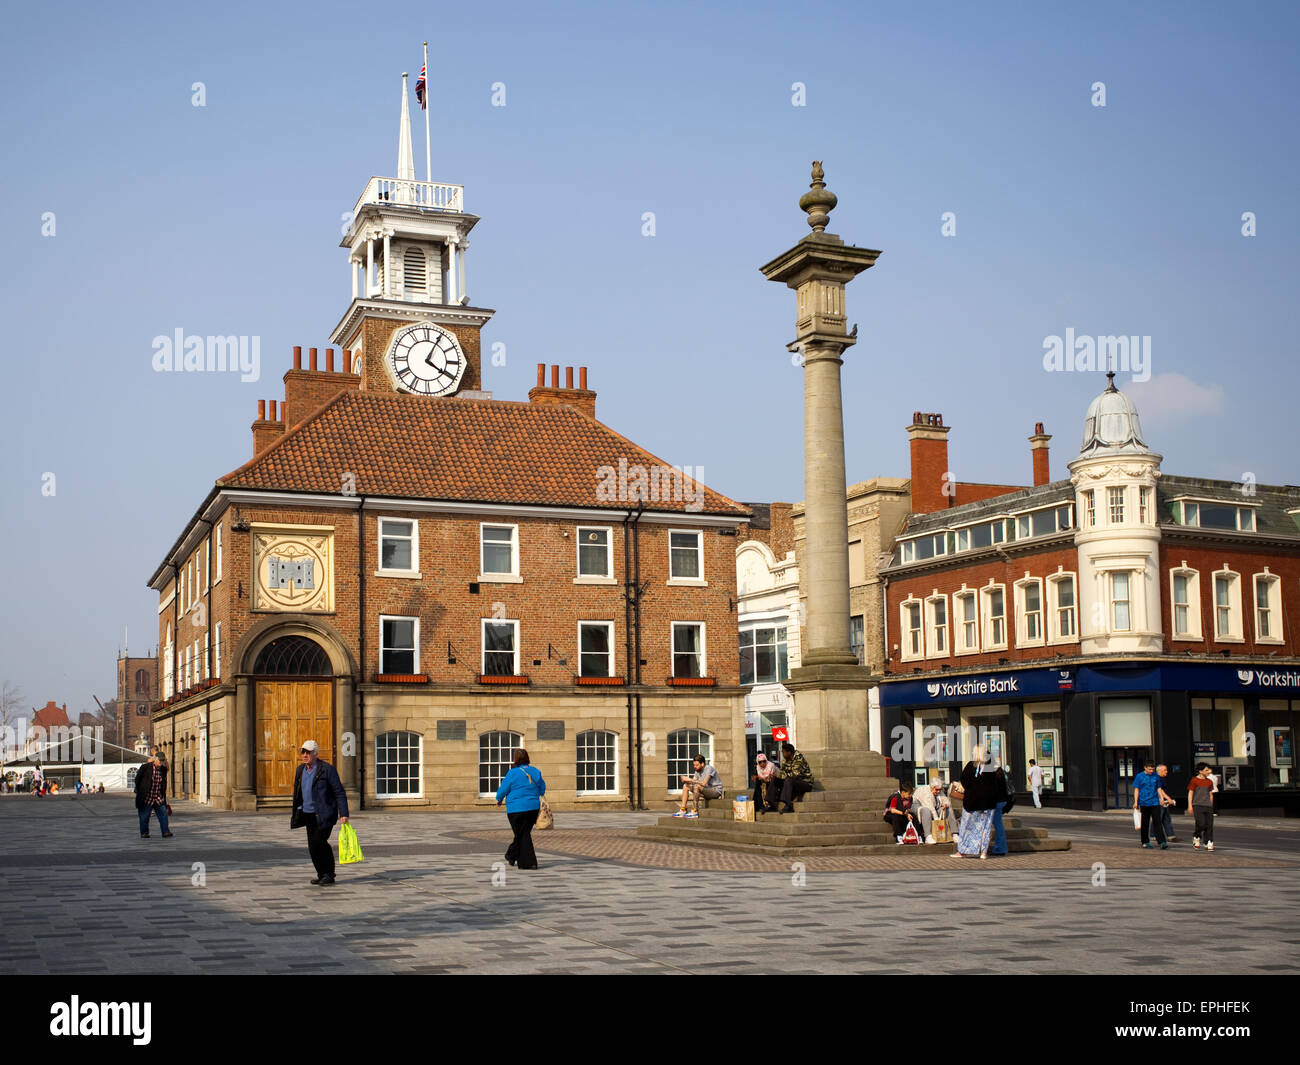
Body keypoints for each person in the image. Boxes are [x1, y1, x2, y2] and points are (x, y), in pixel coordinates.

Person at [289, 739, 349, 885]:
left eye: (308, 752)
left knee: (320, 842)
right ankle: (321, 874)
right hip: (307, 814)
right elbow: (298, 792)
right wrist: (297, 809)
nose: (305, 755)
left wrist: (344, 813)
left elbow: (339, 792)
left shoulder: (327, 769)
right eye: (303, 752)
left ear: (315, 753)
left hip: (324, 814)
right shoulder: (300, 770)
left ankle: (329, 873)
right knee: (312, 846)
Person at [495, 748, 546, 869]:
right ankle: (511, 855)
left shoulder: (512, 773)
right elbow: (542, 789)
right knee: (523, 833)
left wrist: (499, 798)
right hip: (533, 808)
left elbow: (504, 788)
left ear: (516, 759)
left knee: (522, 834)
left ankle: (528, 863)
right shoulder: (536, 771)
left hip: (516, 809)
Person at [951, 746, 1001, 859]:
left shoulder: (971, 765)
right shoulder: (992, 766)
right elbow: (997, 783)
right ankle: (983, 852)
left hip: (972, 801)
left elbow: (964, 780)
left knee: (966, 826)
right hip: (988, 802)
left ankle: (962, 850)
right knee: (985, 827)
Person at [1132, 760, 1170, 849]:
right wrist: (1136, 802)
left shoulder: (1156, 776)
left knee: (1158, 822)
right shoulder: (1139, 776)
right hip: (1144, 802)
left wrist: (1161, 798)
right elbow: (1136, 789)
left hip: (1155, 802)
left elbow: (1159, 788)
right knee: (1145, 823)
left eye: (1152, 769)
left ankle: (1162, 842)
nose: (1151, 771)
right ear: (1145, 767)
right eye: (1149, 769)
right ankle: (1145, 842)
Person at [134, 753, 172, 838]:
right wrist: (141, 790)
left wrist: (163, 795)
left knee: (163, 815)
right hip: (147, 796)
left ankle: (165, 831)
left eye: (163, 761)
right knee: (144, 816)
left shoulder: (163, 769)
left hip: (158, 796)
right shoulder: (145, 767)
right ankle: (144, 833)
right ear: (155, 759)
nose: (161, 763)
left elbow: (163, 783)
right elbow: (137, 779)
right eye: (160, 760)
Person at [677, 753, 723, 818]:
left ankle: (694, 811)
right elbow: (693, 782)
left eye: (697, 765)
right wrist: (685, 780)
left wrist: (690, 779)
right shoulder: (697, 771)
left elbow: (704, 783)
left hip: (715, 791)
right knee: (686, 786)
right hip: (705, 791)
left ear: (702, 764)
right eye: (694, 765)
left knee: (697, 786)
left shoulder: (709, 768)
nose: (694, 767)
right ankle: (683, 809)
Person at [914, 779, 959, 843]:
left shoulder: (939, 791)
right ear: (932, 787)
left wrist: (945, 804)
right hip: (920, 806)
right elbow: (930, 808)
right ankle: (928, 836)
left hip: (935, 806)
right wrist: (937, 821)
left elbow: (946, 800)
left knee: (948, 809)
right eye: (936, 789)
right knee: (926, 811)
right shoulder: (925, 792)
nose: (938, 791)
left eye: (939, 789)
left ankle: (955, 834)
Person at [776, 742, 814, 813]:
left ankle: (788, 805)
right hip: (794, 782)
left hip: (805, 783)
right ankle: (770, 803)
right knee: (775, 780)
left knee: (788, 780)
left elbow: (794, 775)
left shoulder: (799, 759)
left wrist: (779, 775)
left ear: (789, 752)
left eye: (783, 752)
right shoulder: (785, 760)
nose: (783, 754)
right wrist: (776, 776)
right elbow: (782, 772)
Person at [1187, 762, 1215, 851]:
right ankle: (1196, 836)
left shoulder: (1209, 781)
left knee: (1209, 825)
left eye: (1208, 770)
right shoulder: (1194, 780)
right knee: (1201, 823)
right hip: (1197, 805)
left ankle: (1209, 841)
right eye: (1206, 770)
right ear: (1200, 771)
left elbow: (1211, 794)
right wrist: (1190, 806)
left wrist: (1211, 805)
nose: (1208, 772)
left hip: (1208, 806)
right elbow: (1190, 793)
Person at [1156, 764, 1179, 841]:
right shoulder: (1157, 778)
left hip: (1164, 801)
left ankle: (1171, 835)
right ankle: (1154, 835)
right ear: (1159, 771)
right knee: (1159, 818)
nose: (1166, 772)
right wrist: (1168, 798)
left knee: (1165, 818)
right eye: (1164, 770)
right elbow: (1160, 790)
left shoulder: (1163, 778)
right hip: (1159, 800)